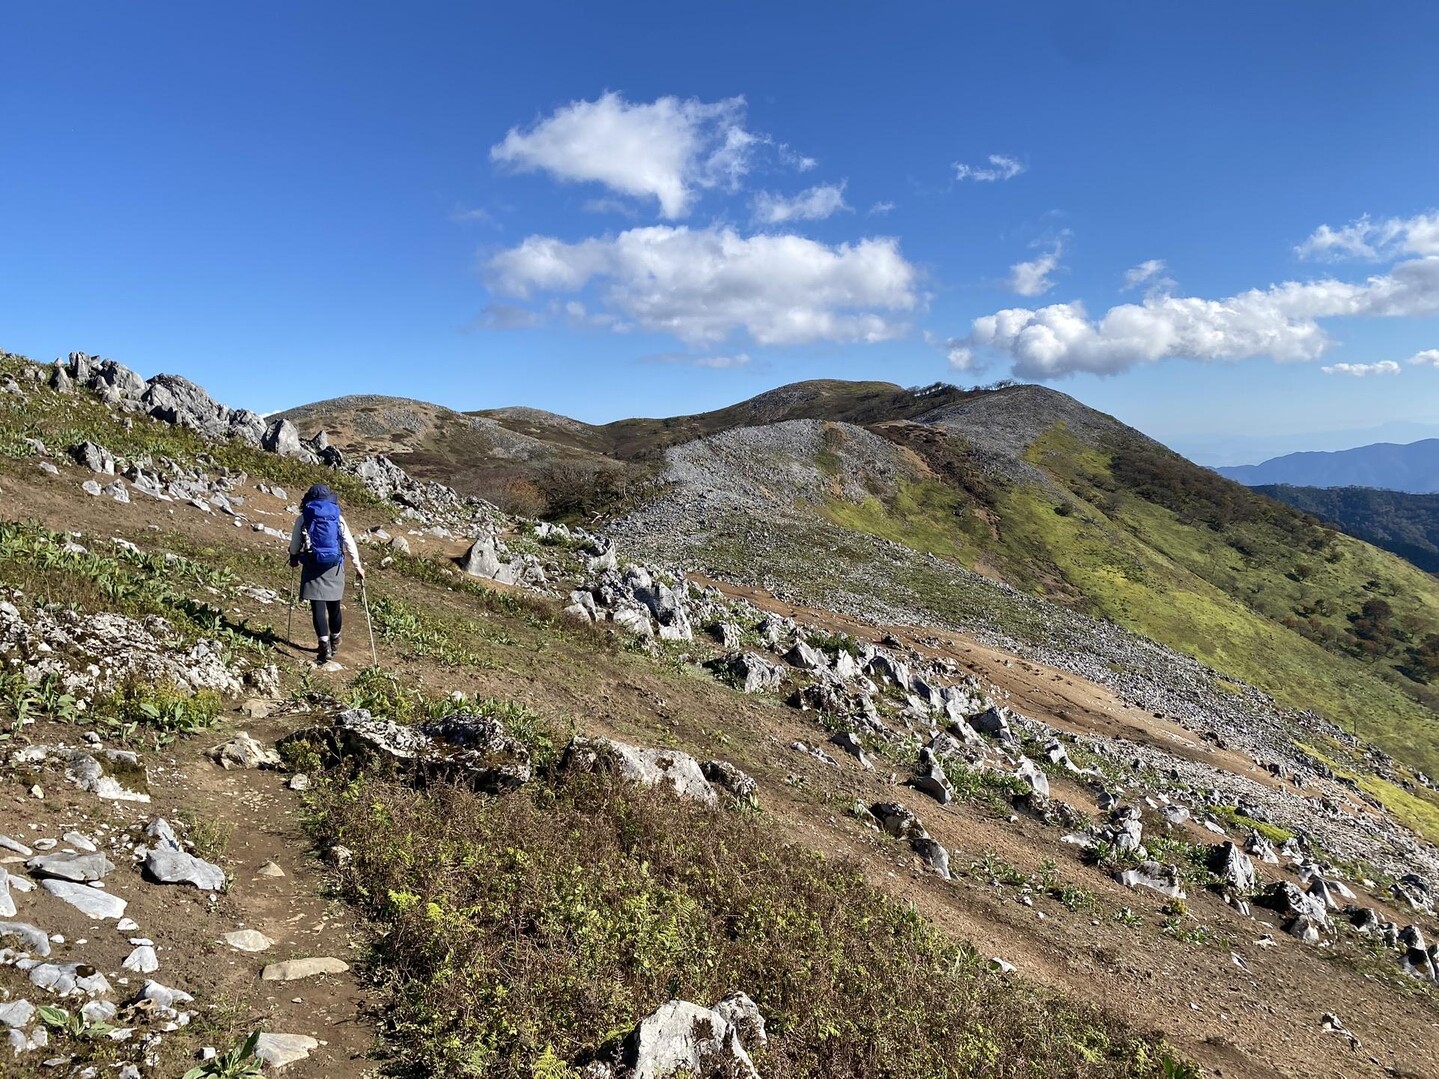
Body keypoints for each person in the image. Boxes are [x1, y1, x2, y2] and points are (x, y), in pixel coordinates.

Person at [288, 483, 364, 663]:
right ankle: (335, 639)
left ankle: (324, 646)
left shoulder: (304, 517)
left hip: (313, 564)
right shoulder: (337, 516)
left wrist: (293, 558)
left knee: (318, 606)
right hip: (334, 565)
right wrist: (358, 565)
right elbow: (348, 542)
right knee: (334, 605)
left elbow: (295, 543)